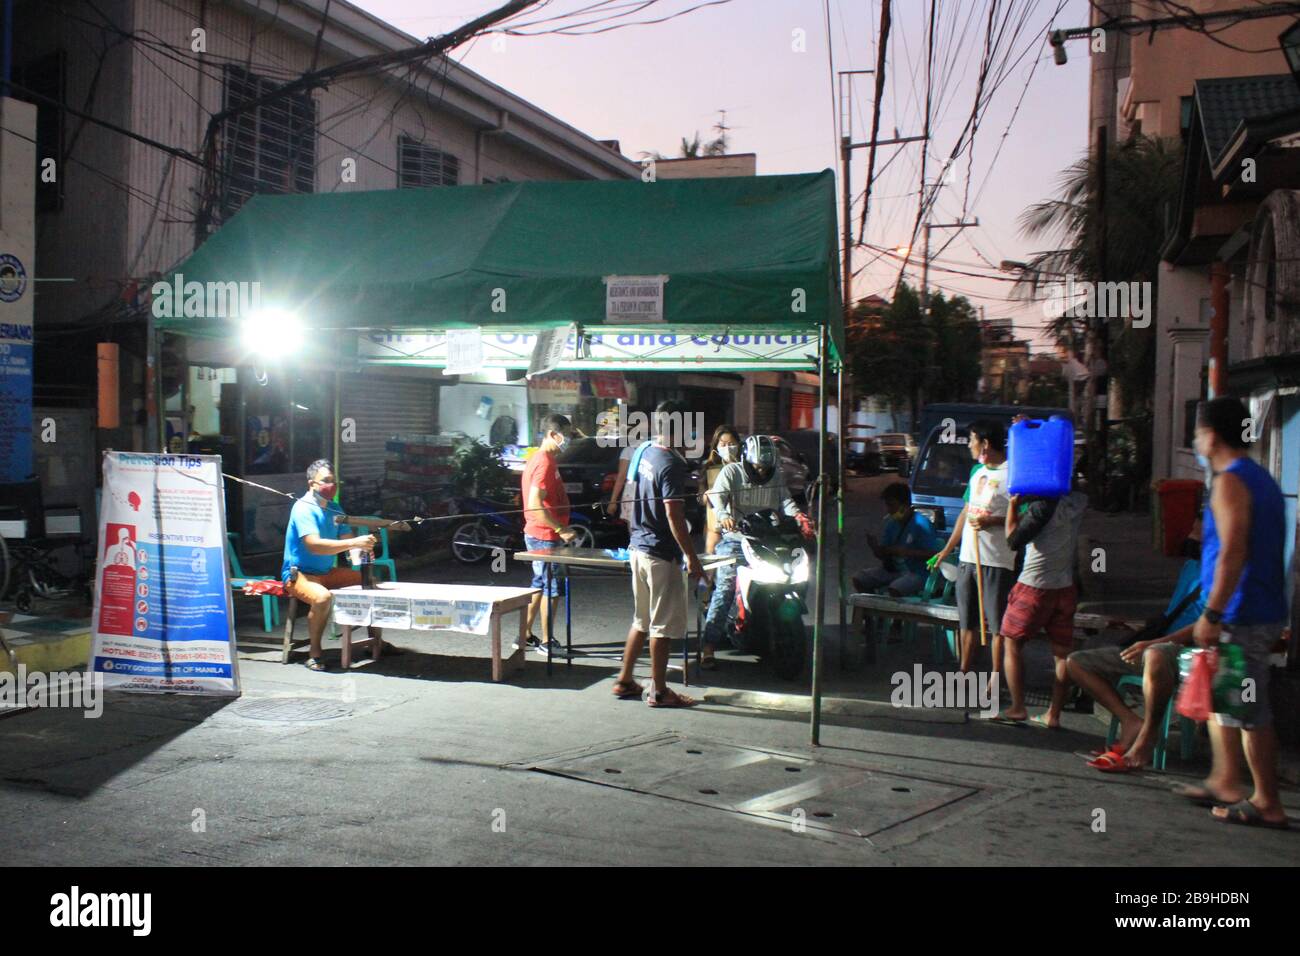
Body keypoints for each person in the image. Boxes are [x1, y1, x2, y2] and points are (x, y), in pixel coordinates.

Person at [1175, 397, 1289, 829]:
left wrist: (1213, 613)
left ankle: (1267, 802)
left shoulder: (1230, 482)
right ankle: (1224, 779)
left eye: (1198, 432)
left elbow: (1233, 553)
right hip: (1256, 608)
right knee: (1231, 702)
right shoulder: (1260, 478)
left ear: (1212, 435)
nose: (1194, 440)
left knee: (1249, 709)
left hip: (1243, 612)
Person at [612, 401, 709, 706]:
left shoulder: (642, 451)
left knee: (642, 619)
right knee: (661, 625)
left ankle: (625, 681)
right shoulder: (671, 463)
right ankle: (659, 691)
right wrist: (691, 557)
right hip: (659, 553)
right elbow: (674, 516)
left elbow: (628, 500)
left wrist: (635, 532)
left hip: (638, 548)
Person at [699, 434, 815, 669]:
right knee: (725, 589)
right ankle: (708, 648)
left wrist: (799, 516)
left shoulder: (776, 475)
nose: (762, 472)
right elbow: (717, 498)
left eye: (766, 467)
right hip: (737, 539)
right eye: (758, 467)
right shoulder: (732, 472)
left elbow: (786, 502)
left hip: (769, 539)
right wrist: (724, 517)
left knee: (797, 572)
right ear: (748, 460)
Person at [282, 459, 389, 672]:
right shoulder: (303, 508)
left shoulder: (334, 508)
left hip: (325, 572)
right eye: (326, 481)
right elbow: (314, 545)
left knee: (370, 583)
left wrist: (362, 552)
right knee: (322, 598)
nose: (332, 486)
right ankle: (314, 654)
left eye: (334, 481)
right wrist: (354, 542)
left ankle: (376, 642)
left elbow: (348, 542)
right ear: (312, 483)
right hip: (298, 575)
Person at [997, 485, 1087, 726]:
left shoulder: (1041, 507)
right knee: (1061, 655)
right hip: (1065, 587)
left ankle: (1017, 707)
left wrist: (1013, 507)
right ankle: (1053, 715)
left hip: (1034, 586)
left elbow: (1013, 540)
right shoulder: (1078, 500)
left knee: (1012, 644)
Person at [931, 420, 1015, 679]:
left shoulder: (1013, 474)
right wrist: (947, 550)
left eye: (972, 440)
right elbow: (965, 513)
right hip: (968, 558)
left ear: (985, 444)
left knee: (997, 625)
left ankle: (994, 678)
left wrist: (992, 521)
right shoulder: (977, 471)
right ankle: (964, 672)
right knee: (966, 621)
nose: (969, 445)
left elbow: (1023, 518)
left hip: (997, 561)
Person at [521, 413, 578, 653]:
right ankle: (547, 641)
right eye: (567, 435)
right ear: (553, 435)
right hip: (545, 536)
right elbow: (535, 504)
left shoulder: (544, 459)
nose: (570, 440)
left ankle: (524, 635)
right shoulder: (544, 462)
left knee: (539, 585)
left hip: (540, 533)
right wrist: (560, 529)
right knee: (551, 588)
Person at [852, 482, 938, 597]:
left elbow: (933, 554)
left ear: (905, 505)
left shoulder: (922, 524)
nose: (889, 510)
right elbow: (883, 554)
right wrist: (875, 547)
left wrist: (905, 552)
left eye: (892, 505)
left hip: (917, 573)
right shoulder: (892, 524)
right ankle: (875, 612)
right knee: (860, 579)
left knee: (895, 588)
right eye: (887, 505)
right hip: (894, 571)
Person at [701, 424, 743, 557]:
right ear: (716, 447)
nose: (727, 449)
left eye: (731, 444)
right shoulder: (710, 468)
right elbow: (701, 498)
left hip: (740, 524)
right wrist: (707, 496)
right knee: (712, 557)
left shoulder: (746, 469)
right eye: (723, 445)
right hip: (716, 524)